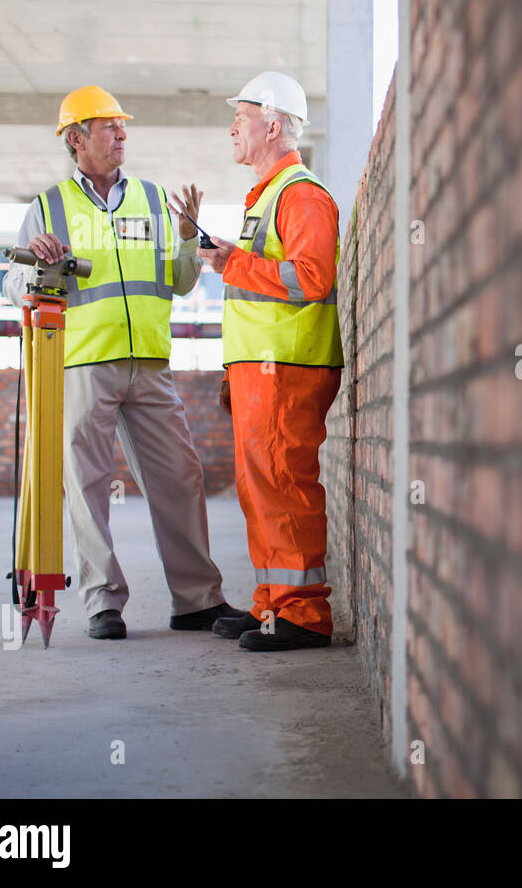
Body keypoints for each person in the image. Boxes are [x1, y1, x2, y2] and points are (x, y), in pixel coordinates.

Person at [3, 84, 248, 639]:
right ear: (76, 139)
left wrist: (187, 240)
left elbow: (181, 283)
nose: (122, 135)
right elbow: (13, 284)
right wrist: (43, 267)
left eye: (122, 126)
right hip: (84, 365)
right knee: (88, 483)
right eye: (109, 126)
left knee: (180, 477)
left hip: (151, 365)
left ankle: (196, 601)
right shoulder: (49, 207)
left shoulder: (154, 198)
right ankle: (102, 602)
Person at [196, 71, 342, 651]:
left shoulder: (301, 194)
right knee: (261, 490)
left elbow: (311, 277)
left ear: (274, 124)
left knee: (283, 485)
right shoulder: (269, 196)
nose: (233, 126)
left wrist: (232, 261)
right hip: (262, 367)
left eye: (243, 115)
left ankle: (303, 615)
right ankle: (271, 605)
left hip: (288, 367)